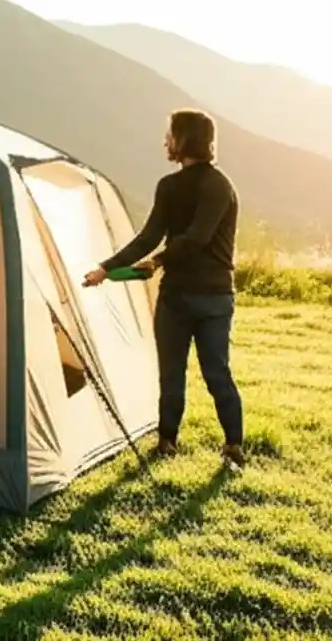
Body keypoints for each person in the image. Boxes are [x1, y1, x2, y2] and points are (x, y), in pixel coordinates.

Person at [82, 108, 245, 467]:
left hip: (207, 298)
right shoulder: (172, 186)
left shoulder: (216, 186)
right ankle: (168, 442)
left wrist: (157, 261)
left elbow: (198, 237)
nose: (165, 141)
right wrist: (106, 268)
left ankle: (233, 445)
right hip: (186, 296)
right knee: (176, 372)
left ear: (184, 139)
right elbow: (148, 236)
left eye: (170, 134)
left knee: (213, 372)